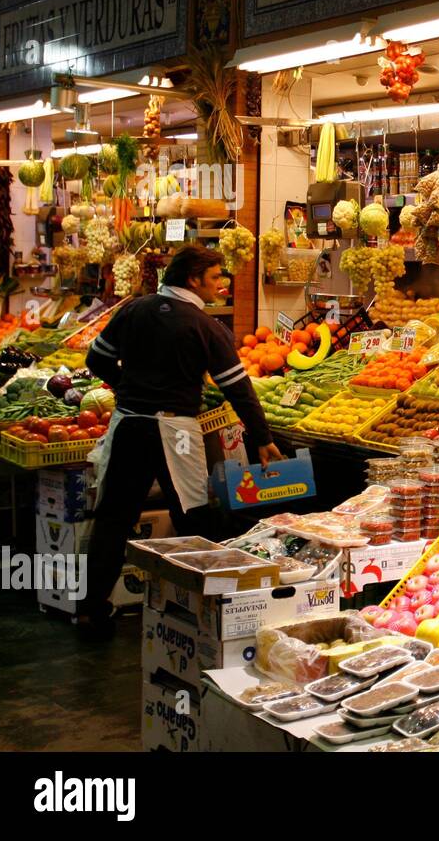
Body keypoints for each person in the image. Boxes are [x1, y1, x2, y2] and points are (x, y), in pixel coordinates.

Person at [80, 245, 280, 632]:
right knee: (191, 514)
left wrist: (128, 388)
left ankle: (91, 608)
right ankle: (203, 609)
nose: (223, 283)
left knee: (113, 518)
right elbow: (237, 389)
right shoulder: (205, 326)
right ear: (193, 279)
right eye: (217, 276)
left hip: (128, 426)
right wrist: (262, 436)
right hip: (176, 433)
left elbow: (96, 359)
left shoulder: (134, 310)